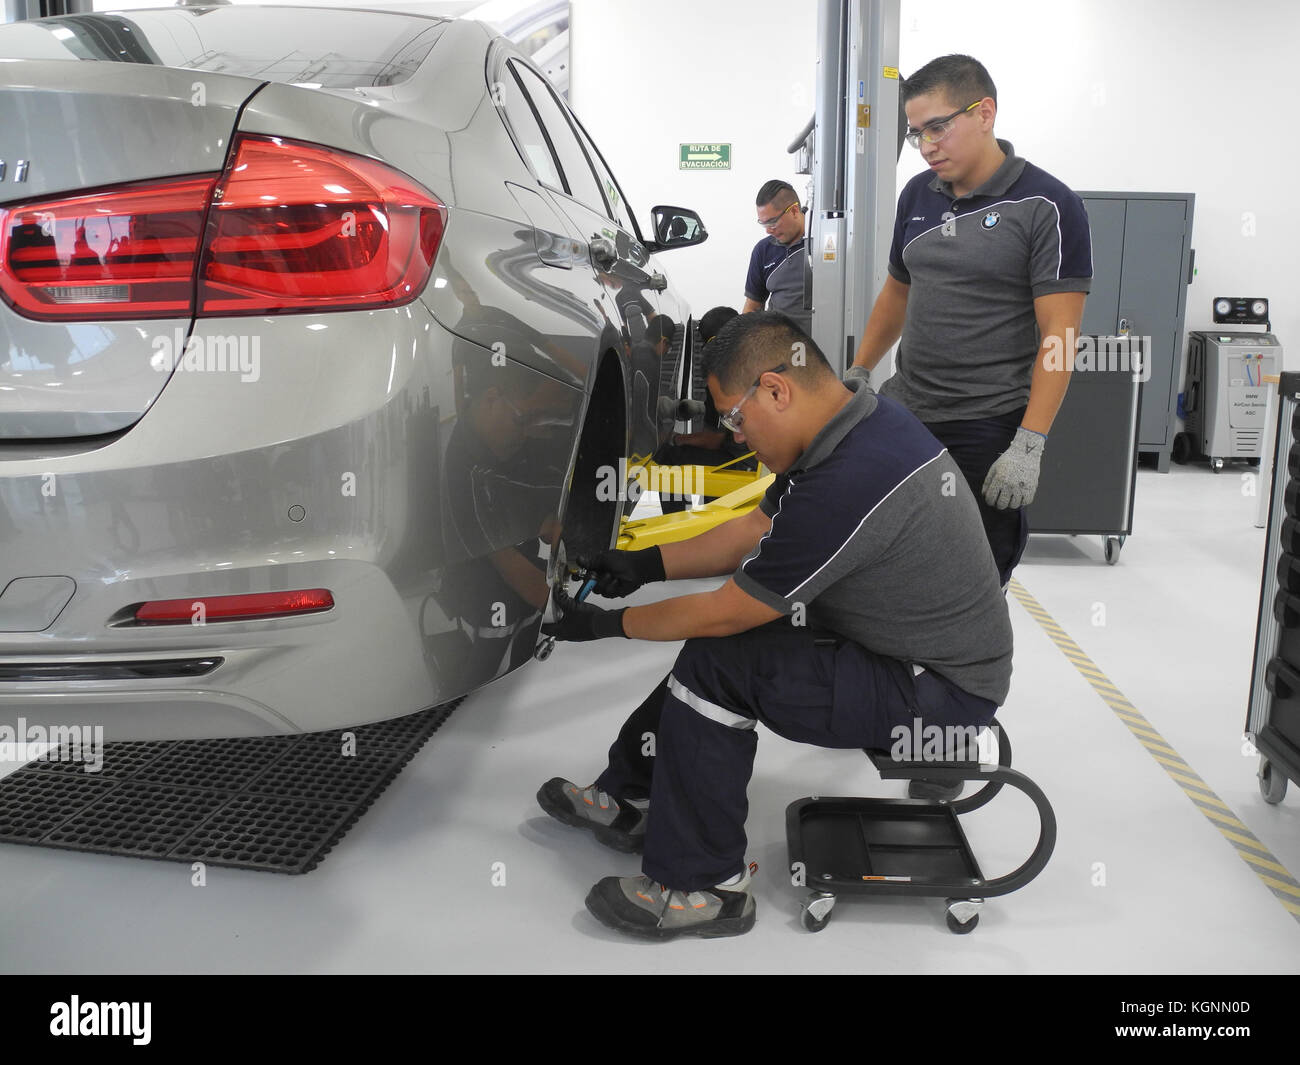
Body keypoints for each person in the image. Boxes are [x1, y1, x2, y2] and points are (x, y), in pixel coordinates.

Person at [535, 311, 1013, 940]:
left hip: (938, 694)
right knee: (723, 645)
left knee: (719, 659)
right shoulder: (850, 425)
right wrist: (641, 562)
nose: (734, 437)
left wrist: (604, 626)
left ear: (775, 389)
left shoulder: (854, 477)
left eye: (735, 416)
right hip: (905, 653)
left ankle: (706, 885)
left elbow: (730, 609)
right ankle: (635, 796)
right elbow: (754, 529)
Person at [848, 54, 1091, 588]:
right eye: (916, 133)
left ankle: (962, 668)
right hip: (908, 406)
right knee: (884, 551)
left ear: (985, 113)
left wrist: (1030, 443)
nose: (927, 144)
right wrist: (861, 370)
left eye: (938, 126)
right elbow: (897, 291)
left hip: (988, 422)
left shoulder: (1048, 205)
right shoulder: (916, 194)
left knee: (975, 571)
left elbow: (1060, 335)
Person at [654, 305, 758, 513]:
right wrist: (702, 408)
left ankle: (678, 527)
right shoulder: (753, 362)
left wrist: (673, 438)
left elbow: (716, 439)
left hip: (741, 463)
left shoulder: (721, 373)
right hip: (755, 461)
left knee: (668, 457)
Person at [742, 181, 812, 334]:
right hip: (777, 348)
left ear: (793, 211)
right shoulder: (763, 250)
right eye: (763, 224)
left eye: (772, 222)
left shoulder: (823, 245)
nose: (768, 230)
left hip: (822, 347)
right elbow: (753, 307)